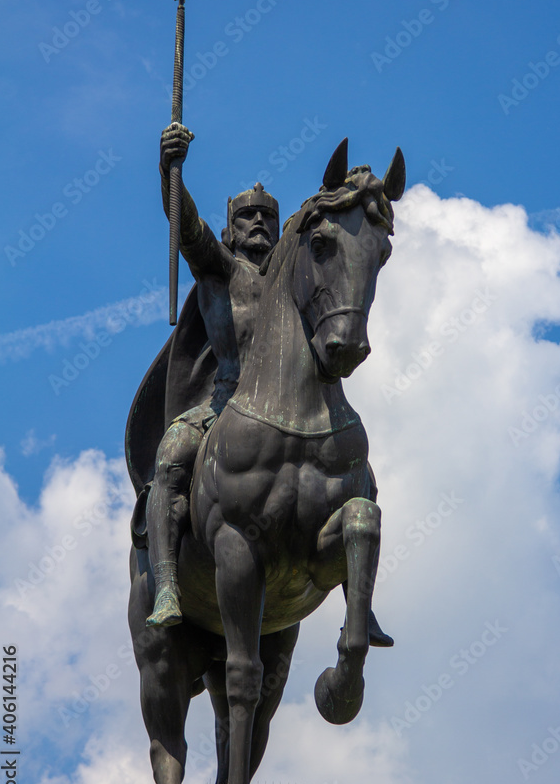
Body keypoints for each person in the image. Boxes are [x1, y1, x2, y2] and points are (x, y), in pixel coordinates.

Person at [145, 123, 393, 646]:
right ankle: (167, 582)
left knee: (362, 477)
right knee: (172, 455)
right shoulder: (219, 269)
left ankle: (360, 603)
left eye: (268, 218)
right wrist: (171, 170)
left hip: (297, 404)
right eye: (247, 217)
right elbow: (187, 227)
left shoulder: (294, 276)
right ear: (231, 229)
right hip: (224, 401)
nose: (259, 224)